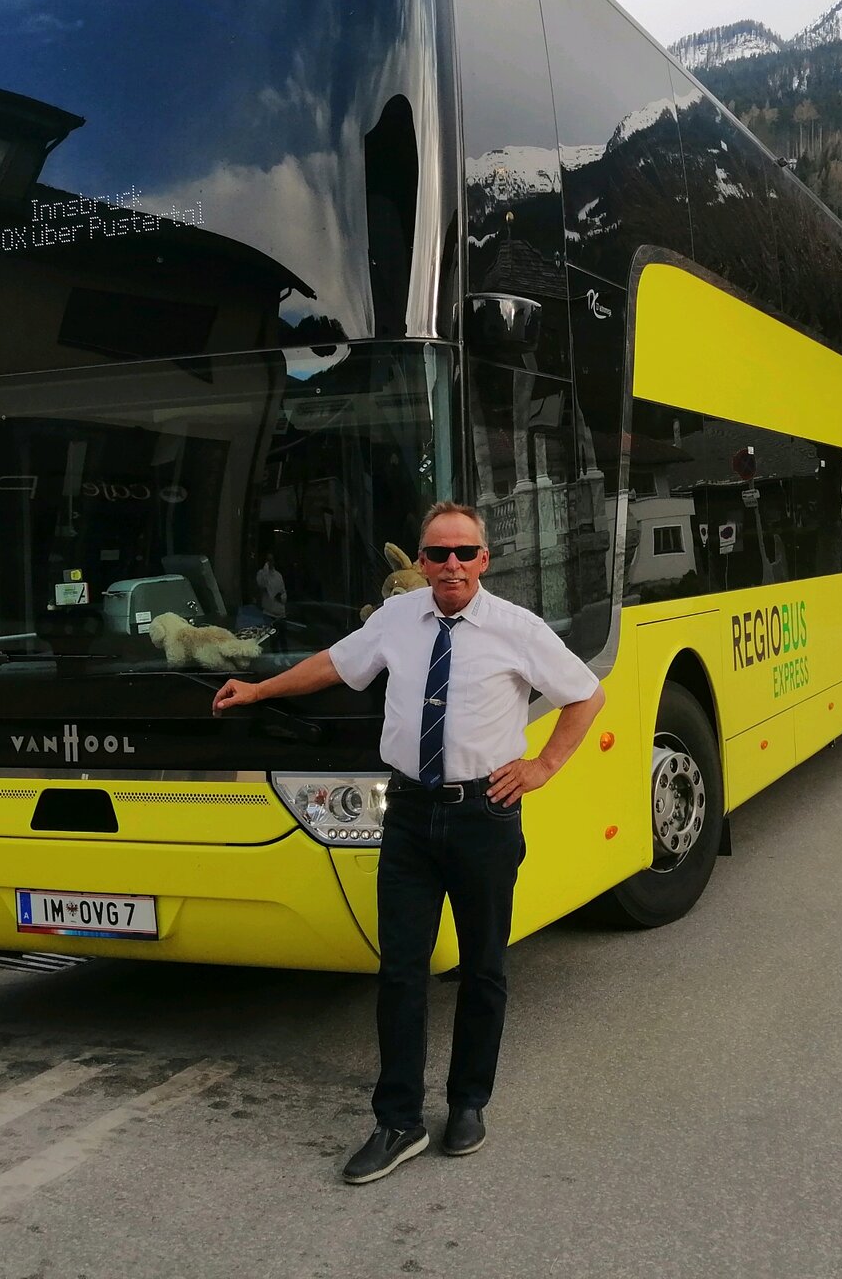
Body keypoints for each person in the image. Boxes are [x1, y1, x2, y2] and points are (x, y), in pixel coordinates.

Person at [213, 501, 605, 1184]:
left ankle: (468, 1105)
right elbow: (334, 665)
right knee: (400, 970)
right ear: (419, 563)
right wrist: (258, 689)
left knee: (483, 968)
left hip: (484, 813)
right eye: (436, 554)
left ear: (484, 559)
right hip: (410, 816)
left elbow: (585, 694)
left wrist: (542, 767)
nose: (449, 565)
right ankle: (397, 1122)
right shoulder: (397, 618)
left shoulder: (517, 628)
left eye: (463, 553)